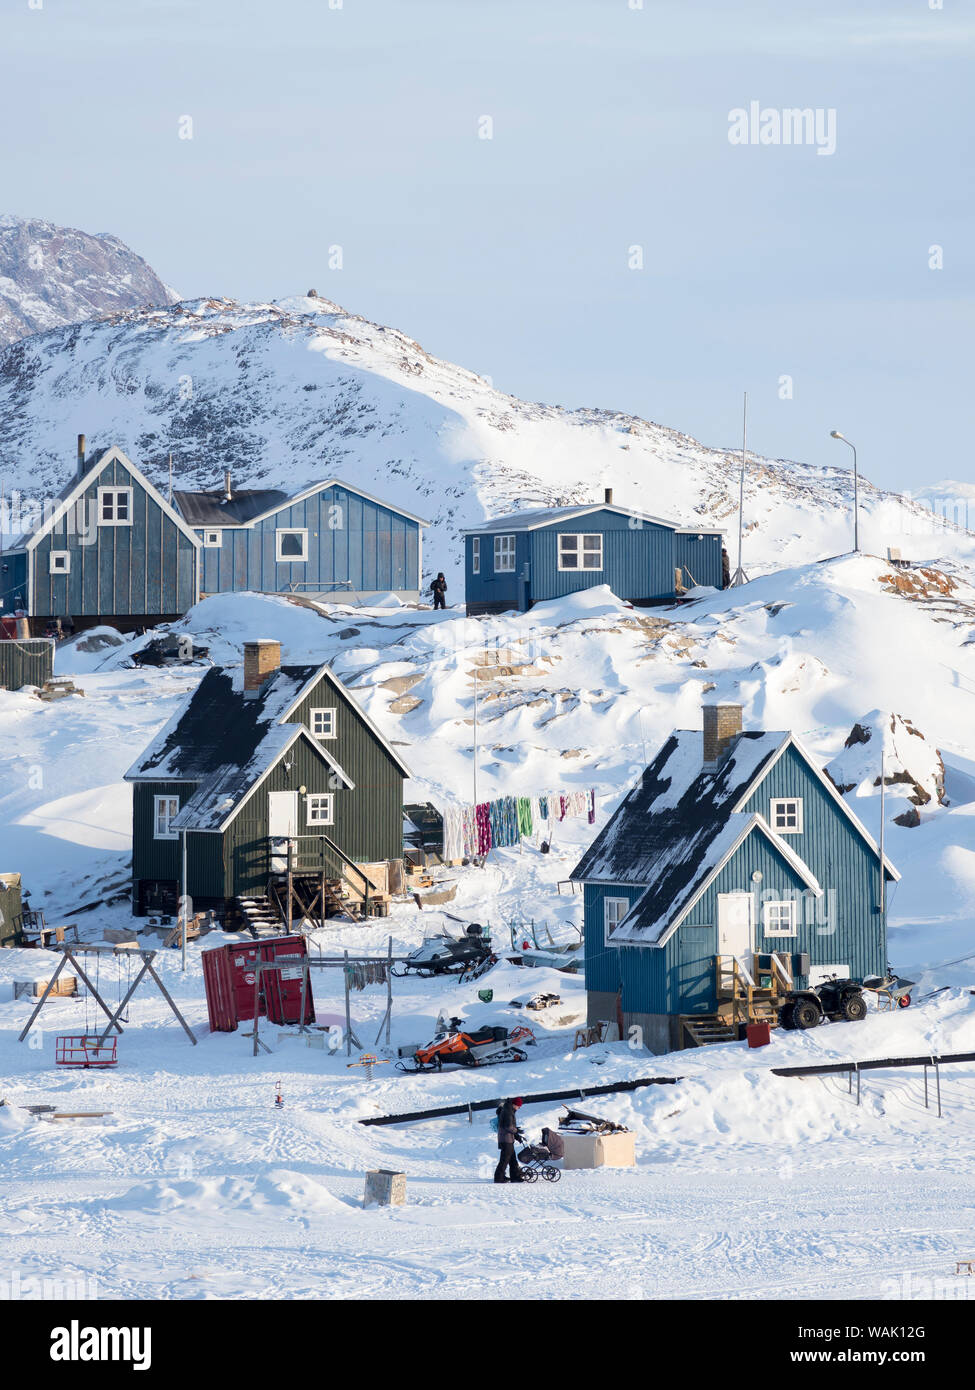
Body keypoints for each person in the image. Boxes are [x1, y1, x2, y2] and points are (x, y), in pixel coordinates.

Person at [494, 1096, 524, 1183]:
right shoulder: (508, 1112)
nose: (518, 1108)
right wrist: (516, 1130)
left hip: (507, 1138)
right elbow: (508, 1126)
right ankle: (499, 1178)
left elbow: (509, 1126)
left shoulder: (508, 1110)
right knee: (504, 1160)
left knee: (512, 1158)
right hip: (506, 1139)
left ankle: (515, 1176)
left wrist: (517, 1136)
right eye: (518, 1106)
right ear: (515, 1104)